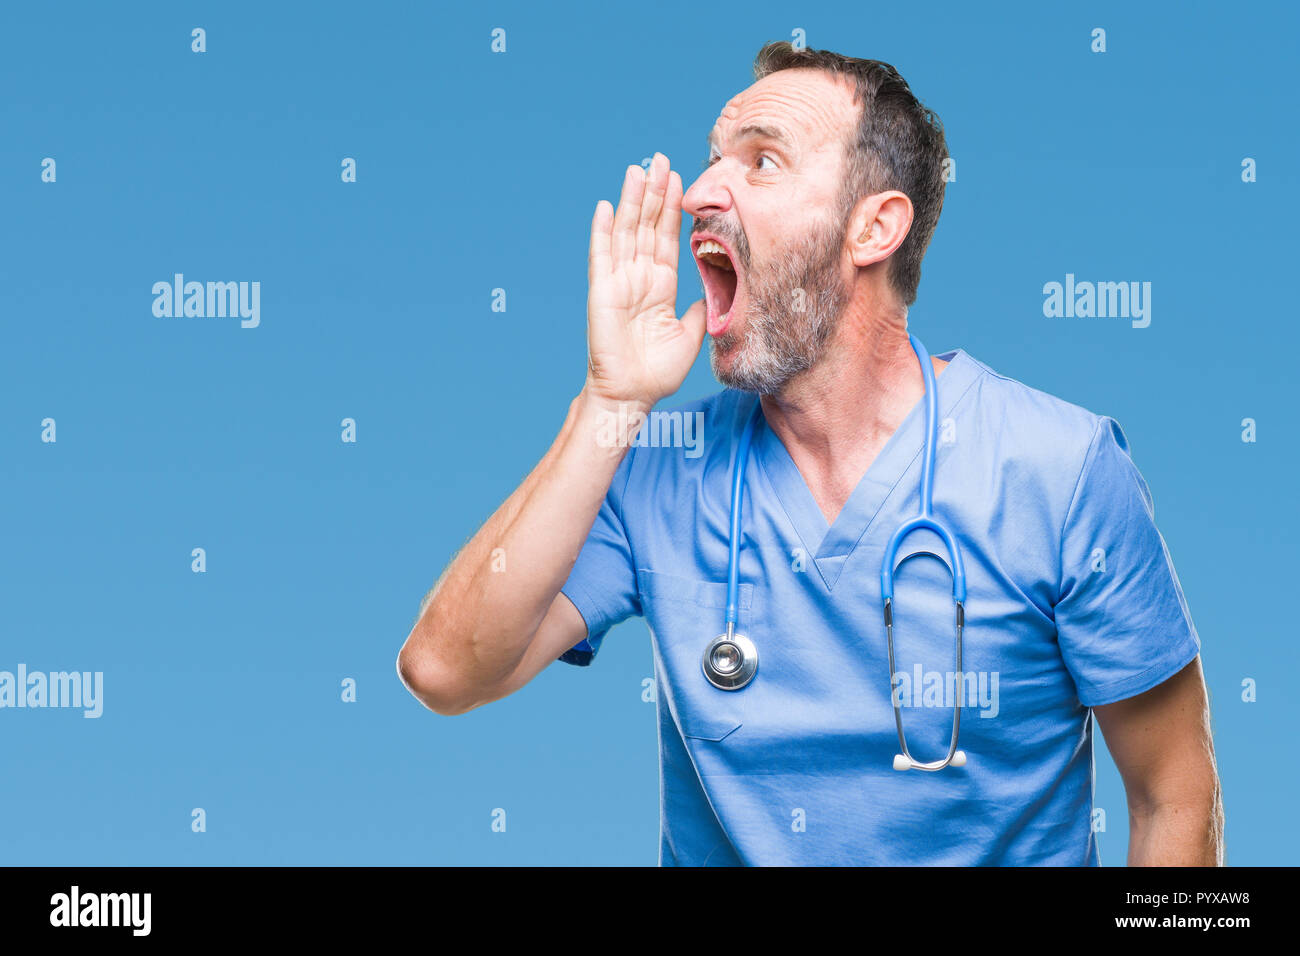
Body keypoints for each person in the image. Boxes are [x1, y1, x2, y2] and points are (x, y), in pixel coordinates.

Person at [397, 41, 1224, 866]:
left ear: (875, 227)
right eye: (712, 160)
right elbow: (444, 671)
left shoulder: (1061, 471)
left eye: (761, 162)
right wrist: (609, 403)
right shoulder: (653, 469)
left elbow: (1173, 797)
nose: (699, 194)